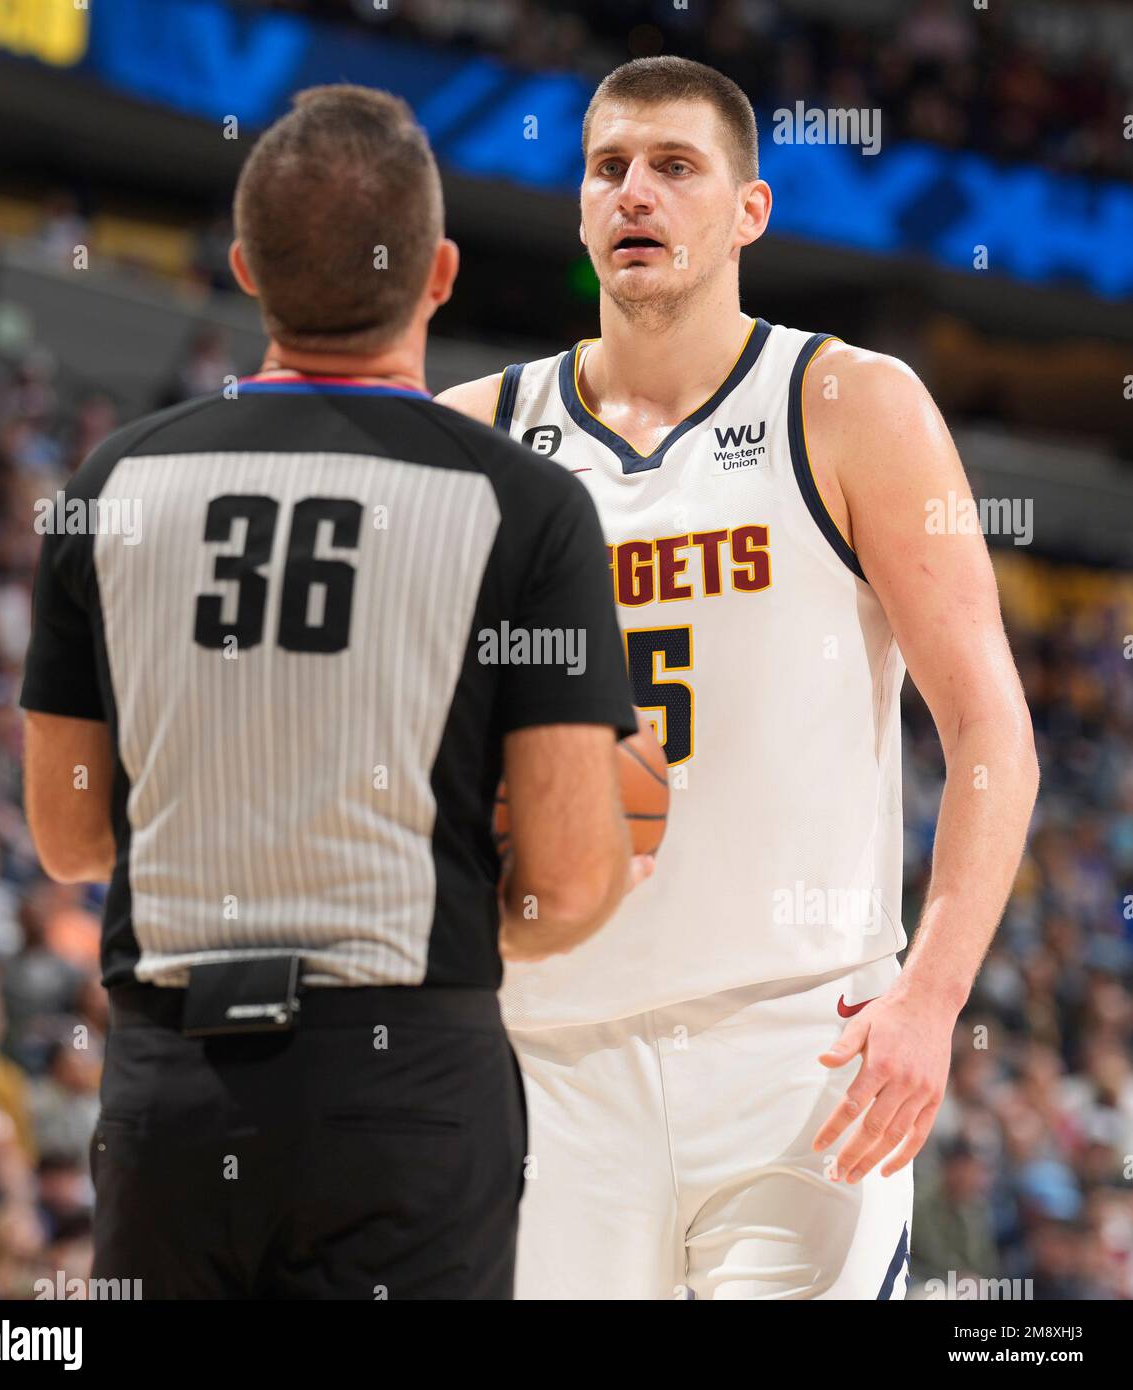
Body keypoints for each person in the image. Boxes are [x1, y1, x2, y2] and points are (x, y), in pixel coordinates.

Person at [20, 84, 642, 1300]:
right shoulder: (527, 508)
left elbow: (66, 832)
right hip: (406, 1077)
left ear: (245, 268)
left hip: (172, 1084)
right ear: (441, 272)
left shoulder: (109, 485)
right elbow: (569, 874)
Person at [438, 55, 1039, 1299]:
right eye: (608, 169)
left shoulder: (847, 405)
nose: (635, 195)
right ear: (581, 206)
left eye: (672, 167)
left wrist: (928, 1001)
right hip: (544, 1061)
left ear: (747, 211)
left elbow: (989, 727)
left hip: (797, 1053)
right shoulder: (476, 433)